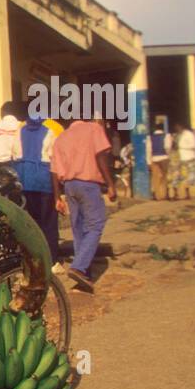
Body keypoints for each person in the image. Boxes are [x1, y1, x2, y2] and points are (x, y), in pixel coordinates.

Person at [51, 119, 114, 293]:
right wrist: (110, 183)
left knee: (78, 230)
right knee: (95, 225)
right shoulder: (94, 128)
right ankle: (78, 267)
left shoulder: (61, 137)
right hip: (88, 184)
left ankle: (84, 275)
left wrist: (57, 197)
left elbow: (54, 170)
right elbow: (101, 156)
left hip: (70, 186)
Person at [9, 103, 59, 263]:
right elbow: (54, 160)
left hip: (24, 181)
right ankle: (50, 260)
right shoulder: (50, 131)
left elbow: (14, 155)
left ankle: (32, 258)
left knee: (30, 222)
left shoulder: (20, 131)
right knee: (48, 223)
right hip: (44, 182)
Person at [170, 122, 195, 200]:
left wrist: (181, 146)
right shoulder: (176, 136)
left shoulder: (189, 134)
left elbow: (194, 145)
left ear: (182, 127)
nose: (177, 129)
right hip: (177, 158)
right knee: (176, 176)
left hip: (188, 158)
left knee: (187, 177)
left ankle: (187, 193)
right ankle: (176, 194)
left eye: (178, 127)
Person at [146, 117, 171, 201]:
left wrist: (149, 161)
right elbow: (167, 147)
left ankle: (157, 196)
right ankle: (164, 194)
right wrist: (168, 155)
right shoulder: (166, 136)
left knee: (155, 177)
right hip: (164, 157)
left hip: (154, 158)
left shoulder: (150, 137)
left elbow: (148, 150)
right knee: (164, 176)